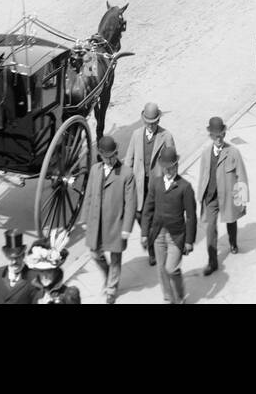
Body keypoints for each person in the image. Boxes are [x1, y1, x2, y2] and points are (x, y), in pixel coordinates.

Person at [141, 146, 196, 305]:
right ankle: (168, 299)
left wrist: (189, 241)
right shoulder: (156, 184)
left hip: (176, 236)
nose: (169, 170)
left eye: (172, 167)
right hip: (158, 234)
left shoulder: (185, 187)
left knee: (171, 268)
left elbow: (191, 217)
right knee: (161, 270)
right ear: (161, 167)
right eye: (165, 167)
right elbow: (147, 209)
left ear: (177, 166)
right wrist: (145, 232)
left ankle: (180, 296)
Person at [123, 102, 175, 268]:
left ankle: (154, 250)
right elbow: (129, 160)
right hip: (139, 184)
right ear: (143, 120)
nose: (151, 125)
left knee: (154, 216)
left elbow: (172, 162)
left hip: (156, 185)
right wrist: (124, 181)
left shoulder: (166, 136)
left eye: (154, 122)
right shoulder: (136, 134)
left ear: (158, 121)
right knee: (139, 214)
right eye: (148, 122)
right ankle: (152, 241)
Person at [84, 135, 135, 303]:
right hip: (96, 222)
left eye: (112, 156)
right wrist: (86, 219)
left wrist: (127, 227)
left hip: (116, 223)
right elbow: (89, 196)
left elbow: (131, 204)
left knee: (115, 257)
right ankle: (107, 274)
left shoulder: (127, 173)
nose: (110, 160)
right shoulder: (95, 170)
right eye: (106, 157)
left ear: (116, 153)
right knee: (94, 253)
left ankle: (112, 289)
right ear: (101, 156)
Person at [195, 116, 248, 276]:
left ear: (224, 135)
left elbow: (242, 176)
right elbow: (203, 176)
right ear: (210, 136)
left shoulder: (233, 152)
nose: (218, 139)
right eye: (215, 136)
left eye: (221, 136)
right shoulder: (205, 154)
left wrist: (242, 199)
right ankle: (212, 262)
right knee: (210, 228)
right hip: (210, 198)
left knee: (231, 221)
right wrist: (200, 196)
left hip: (228, 197)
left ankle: (233, 242)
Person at [25, 231, 81, 304]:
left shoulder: (68, 296)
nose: (44, 276)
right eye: (41, 271)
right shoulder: (32, 292)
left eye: (48, 271)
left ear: (56, 271)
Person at [0, 230, 35, 305]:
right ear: (6, 257)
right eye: (11, 258)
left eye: (17, 257)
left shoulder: (33, 278)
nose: (14, 262)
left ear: (23, 256)